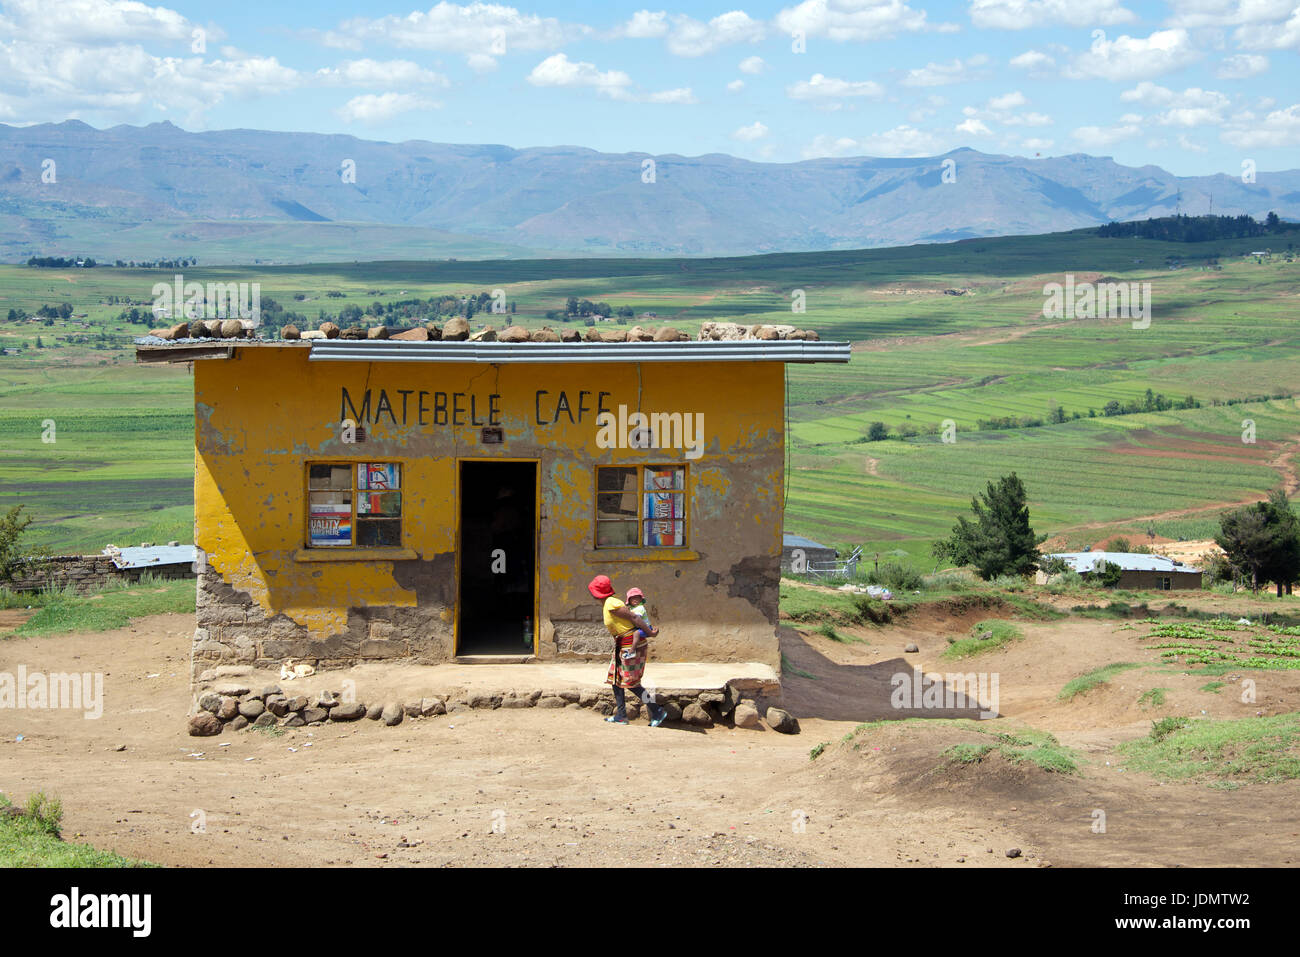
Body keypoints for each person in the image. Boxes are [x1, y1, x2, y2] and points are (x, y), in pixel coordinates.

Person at [588, 575, 668, 726]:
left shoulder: (612, 603)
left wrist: (650, 633)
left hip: (630, 645)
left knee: (631, 682)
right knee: (616, 680)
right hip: (622, 644)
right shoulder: (608, 604)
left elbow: (635, 618)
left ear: (596, 593)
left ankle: (657, 710)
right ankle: (621, 715)